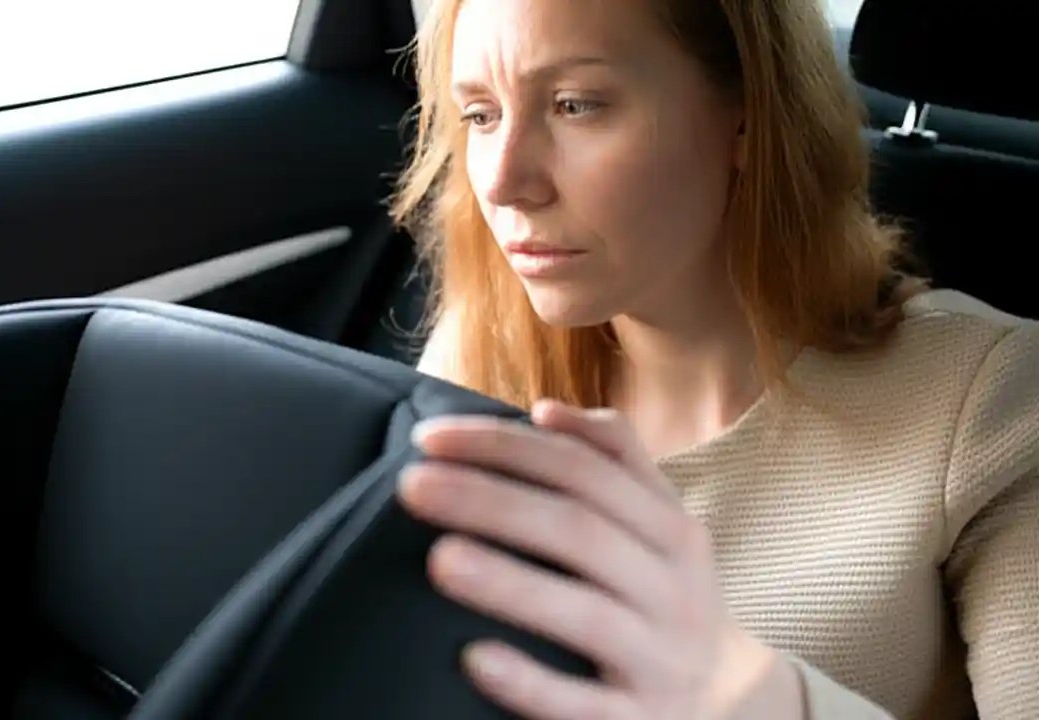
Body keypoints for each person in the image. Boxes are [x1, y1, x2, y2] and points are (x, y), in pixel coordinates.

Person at [386, 0, 1039, 719]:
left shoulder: (988, 397)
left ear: (749, 117)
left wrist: (767, 700)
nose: (505, 181)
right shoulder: (479, 352)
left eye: (576, 105)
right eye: (480, 115)